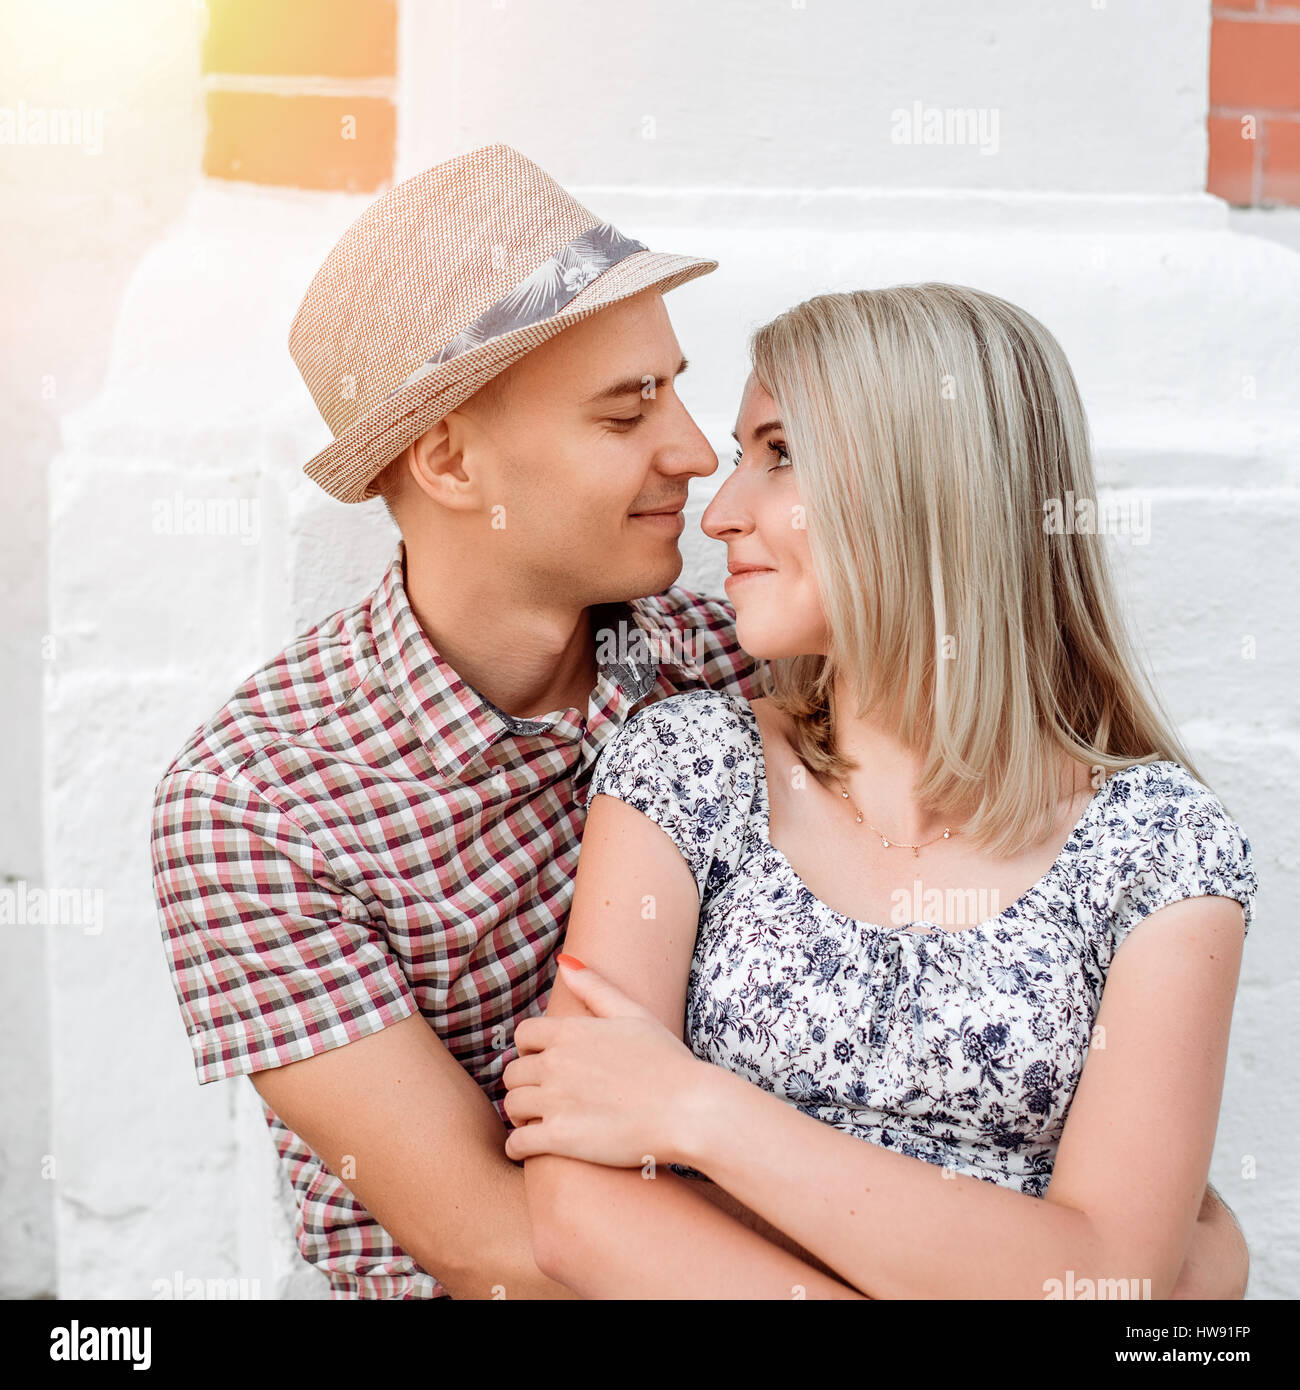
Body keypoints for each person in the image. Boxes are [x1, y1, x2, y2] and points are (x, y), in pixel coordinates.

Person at [150, 141, 1249, 1300]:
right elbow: (499, 1240)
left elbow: (1139, 1235)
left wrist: (1140, 1264)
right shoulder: (253, 805)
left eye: (678, 390)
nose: (693, 455)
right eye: (627, 414)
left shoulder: (742, 660)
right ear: (451, 461)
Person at [503, 284, 1258, 1300]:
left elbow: (1106, 1278)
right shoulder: (687, 769)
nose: (720, 514)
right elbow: (577, 1212)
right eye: (741, 456)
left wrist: (699, 1112)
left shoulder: (1160, 848)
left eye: (778, 453)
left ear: (928, 484)